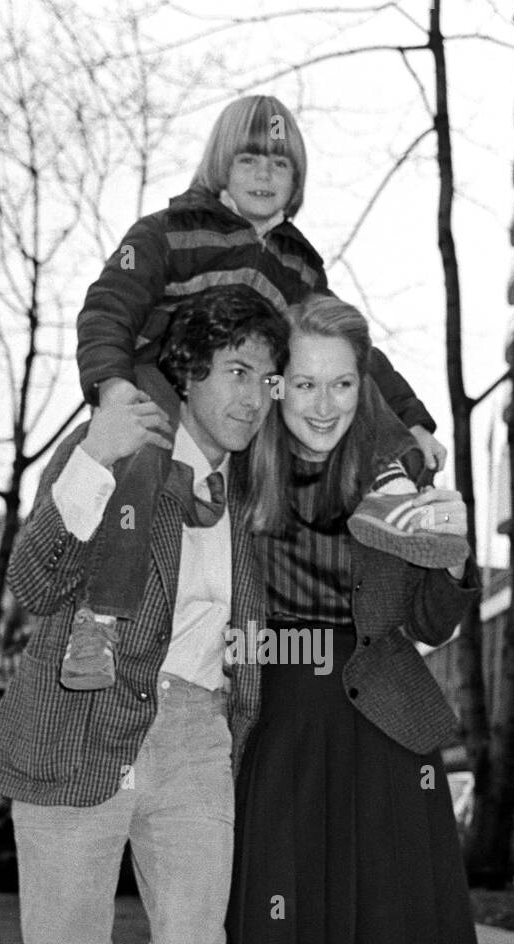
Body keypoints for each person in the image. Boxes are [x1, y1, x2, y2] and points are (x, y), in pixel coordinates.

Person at [0, 285, 288, 944]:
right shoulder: (120, 437)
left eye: (266, 377)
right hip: (82, 718)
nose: (256, 393)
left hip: (190, 732)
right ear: (189, 371)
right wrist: (96, 456)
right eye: (237, 370)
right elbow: (30, 584)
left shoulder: (239, 491)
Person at [221, 294, 492, 944]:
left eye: (342, 382)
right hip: (262, 710)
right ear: (274, 381)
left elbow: (428, 621)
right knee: (229, 943)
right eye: (304, 382)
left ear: (362, 382)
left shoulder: (391, 468)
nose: (323, 402)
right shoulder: (230, 459)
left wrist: (456, 552)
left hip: (367, 713)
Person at [63, 92, 458, 693]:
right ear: (220, 164)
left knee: (332, 379)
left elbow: (353, 353)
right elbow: (109, 306)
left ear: (297, 179)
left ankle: (390, 494)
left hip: (243, 408)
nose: (264, 175)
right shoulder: (168, 232)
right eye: (249, 160)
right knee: (143, 452)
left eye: (280, 164)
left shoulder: (299, 268)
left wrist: (414, 423)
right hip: (165, 382)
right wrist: (113, 387)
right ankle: (102, 618)